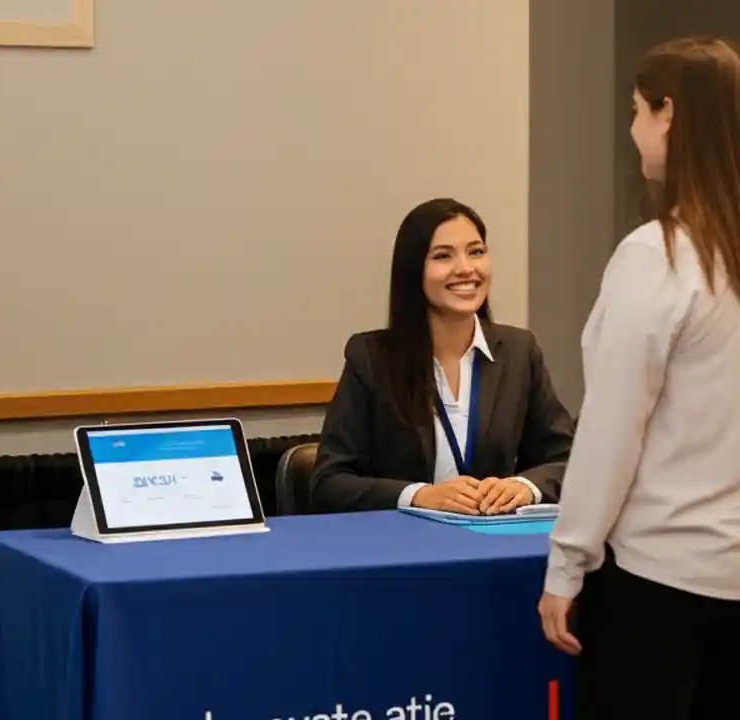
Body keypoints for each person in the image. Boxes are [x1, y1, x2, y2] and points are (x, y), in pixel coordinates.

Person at [539, 37, 740, 719]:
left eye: (635, 110)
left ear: (668, 115)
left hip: (659, 581)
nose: (631, 130)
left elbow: (612, 430)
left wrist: (566, 565)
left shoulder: (657, 256)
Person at [305, 198, 574, 514]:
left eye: (476, 252)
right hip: (404, 548)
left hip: (495, 543)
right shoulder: (371, 358)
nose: (466, 269)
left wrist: (524, 487)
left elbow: (567, 460)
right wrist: (419, 496)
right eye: (443, 256)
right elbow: (329, 482)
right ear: (413, 269)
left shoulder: (519, 351)